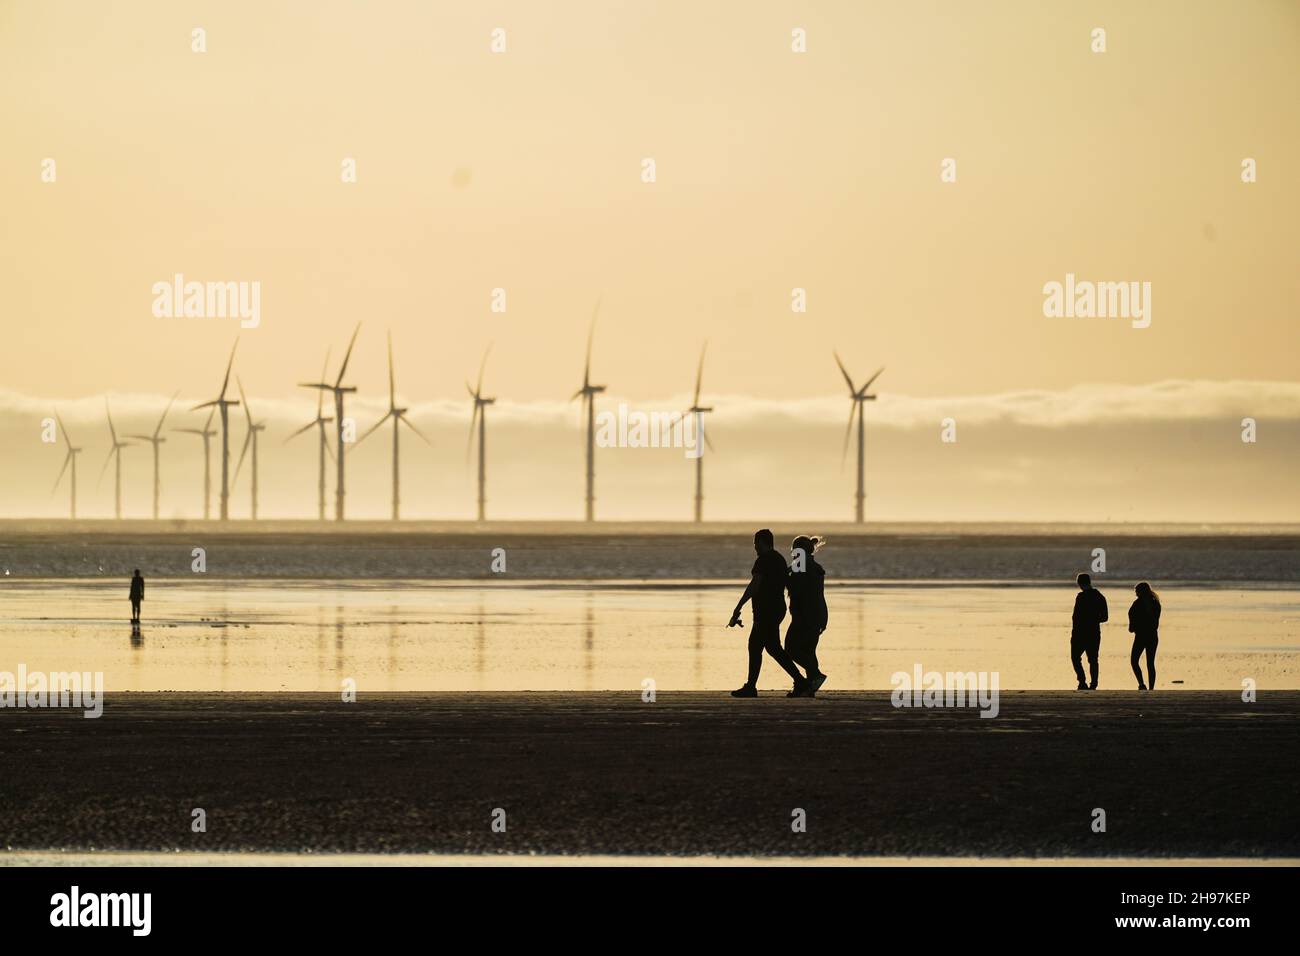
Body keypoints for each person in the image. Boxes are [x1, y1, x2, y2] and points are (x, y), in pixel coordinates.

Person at [728, 529, 808, 698]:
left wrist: (738, 606)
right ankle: (801, 681)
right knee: (773, 648)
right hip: (778, 609)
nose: (755, 547)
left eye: (756, 544)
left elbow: (754, 585)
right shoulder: (779, 559)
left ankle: (751, 687)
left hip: (766, 610)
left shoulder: (763, 561)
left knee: (754, 645)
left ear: (763, 543)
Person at [784, 535, 829, 697]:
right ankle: (808, 688)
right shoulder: (812, 565)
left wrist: (782, 577)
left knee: (790, 648)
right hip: (819, 613)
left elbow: (796, 587)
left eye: (793, 550)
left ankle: (814, 675)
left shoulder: (801, 564)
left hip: (804, 614)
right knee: (809, 650)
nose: (792, 553)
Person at [1070, 572, 1108, 690]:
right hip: (1093, 632)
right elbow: (1105, 617)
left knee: (1076, 657)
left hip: (1080, 633)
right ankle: (1093, 683)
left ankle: (1082, 681)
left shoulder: (1081, 597)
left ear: (1079, 583)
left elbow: (1075, 617)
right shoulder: (1100, 597)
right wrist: (1094, 619)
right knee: (1093, 659)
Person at [1127, 581, 1162, 690]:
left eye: (1137, 591)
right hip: (1152, 635)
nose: (1136, 593)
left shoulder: (1137, 604)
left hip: (1141, 636)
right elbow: (1155, 622)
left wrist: (1132, 627)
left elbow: (1132, 619)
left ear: (1141, 592)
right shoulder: (1155, 603)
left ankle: (1142, 684)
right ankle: (1151, 687)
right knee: (1150, 663)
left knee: (1134, 660)